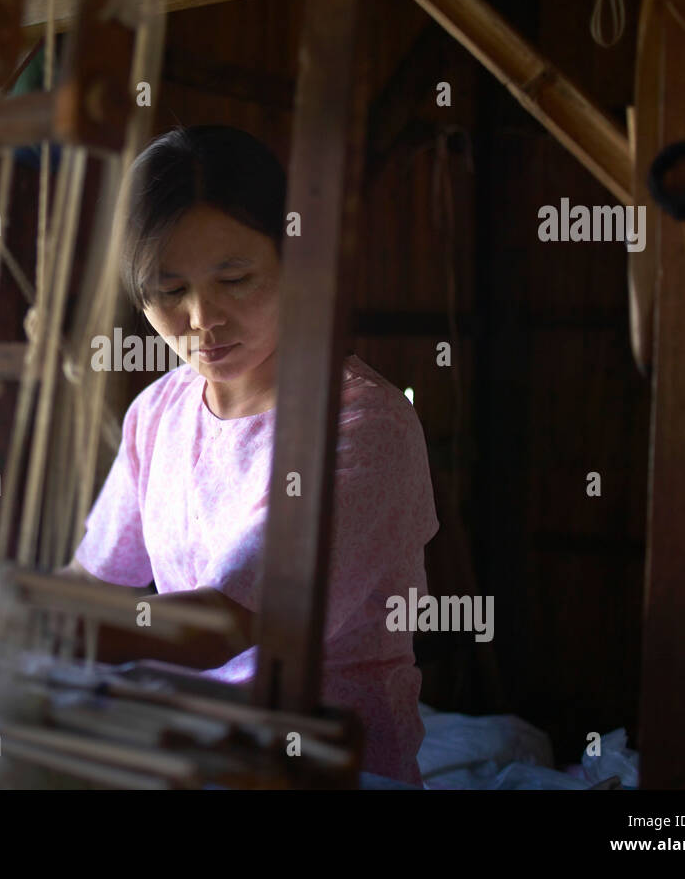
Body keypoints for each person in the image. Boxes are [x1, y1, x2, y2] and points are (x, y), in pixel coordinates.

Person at [63, 125, 439, 786]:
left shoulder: (365, 427)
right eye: (168, 291)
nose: (203, 318)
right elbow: (94, 583)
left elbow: (223, 626)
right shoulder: (157, 414)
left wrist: (16, 623)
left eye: (235, 279)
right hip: (203, 758)